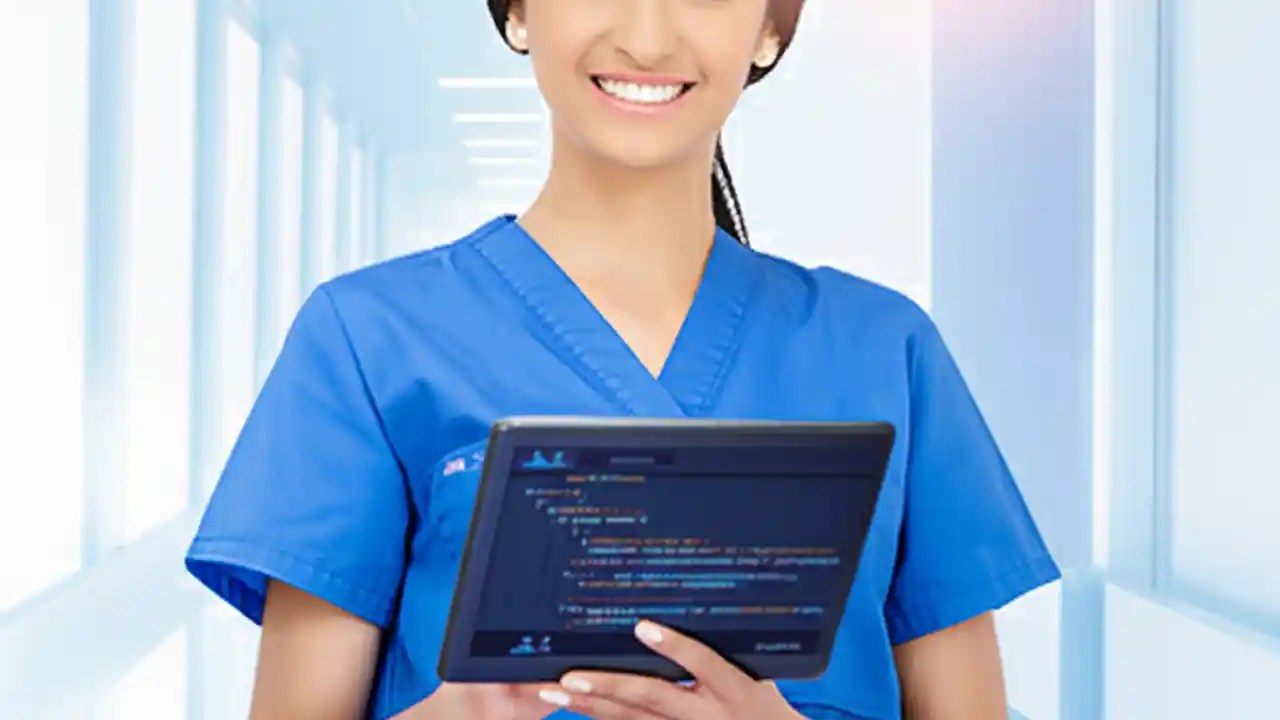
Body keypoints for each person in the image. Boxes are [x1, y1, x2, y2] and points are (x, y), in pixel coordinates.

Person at [185, 1, 1060, 718]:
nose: (646, 34)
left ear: (769, 29)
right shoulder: (369, 339)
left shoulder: (882, 349)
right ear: (519, 10)